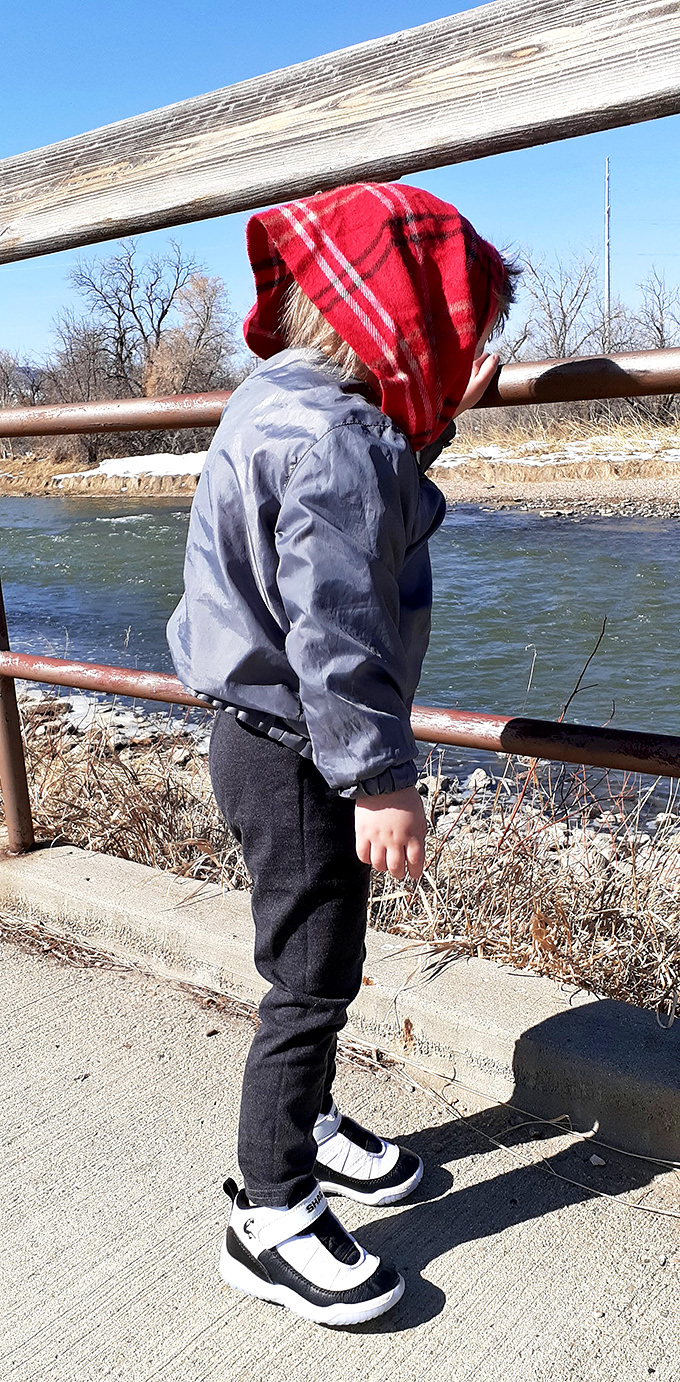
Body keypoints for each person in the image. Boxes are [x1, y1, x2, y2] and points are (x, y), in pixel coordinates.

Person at [167, 181, 517, 1327]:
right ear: (414, 329)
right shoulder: (338, 444)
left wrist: (427, 421)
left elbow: (363, 508)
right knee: (309, 979)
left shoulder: (275, 398)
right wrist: (380, 778)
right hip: (304, 750)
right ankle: (266, 1212)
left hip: (250, 730)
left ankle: (309, 1125)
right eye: (462, 337)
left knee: (313, 950)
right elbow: (338, 624)